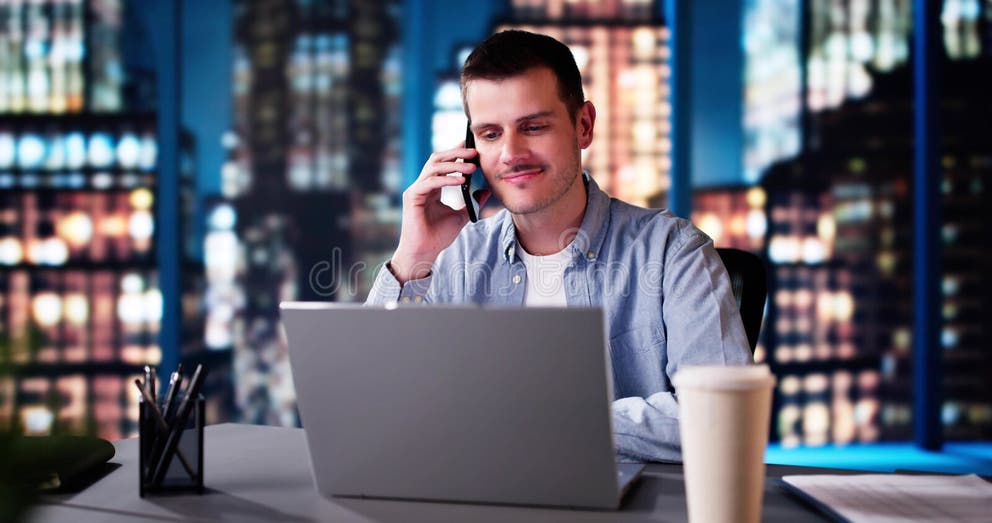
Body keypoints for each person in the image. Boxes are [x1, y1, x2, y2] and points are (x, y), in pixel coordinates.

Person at [366, 29, 751, 462]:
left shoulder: (673, 252)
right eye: (490, 134)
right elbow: (377, 405)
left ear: (582, 125)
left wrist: (544, 422)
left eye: (533, 127)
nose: (511, 153)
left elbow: (724, 415)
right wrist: (413, 260)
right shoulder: (458, 255)